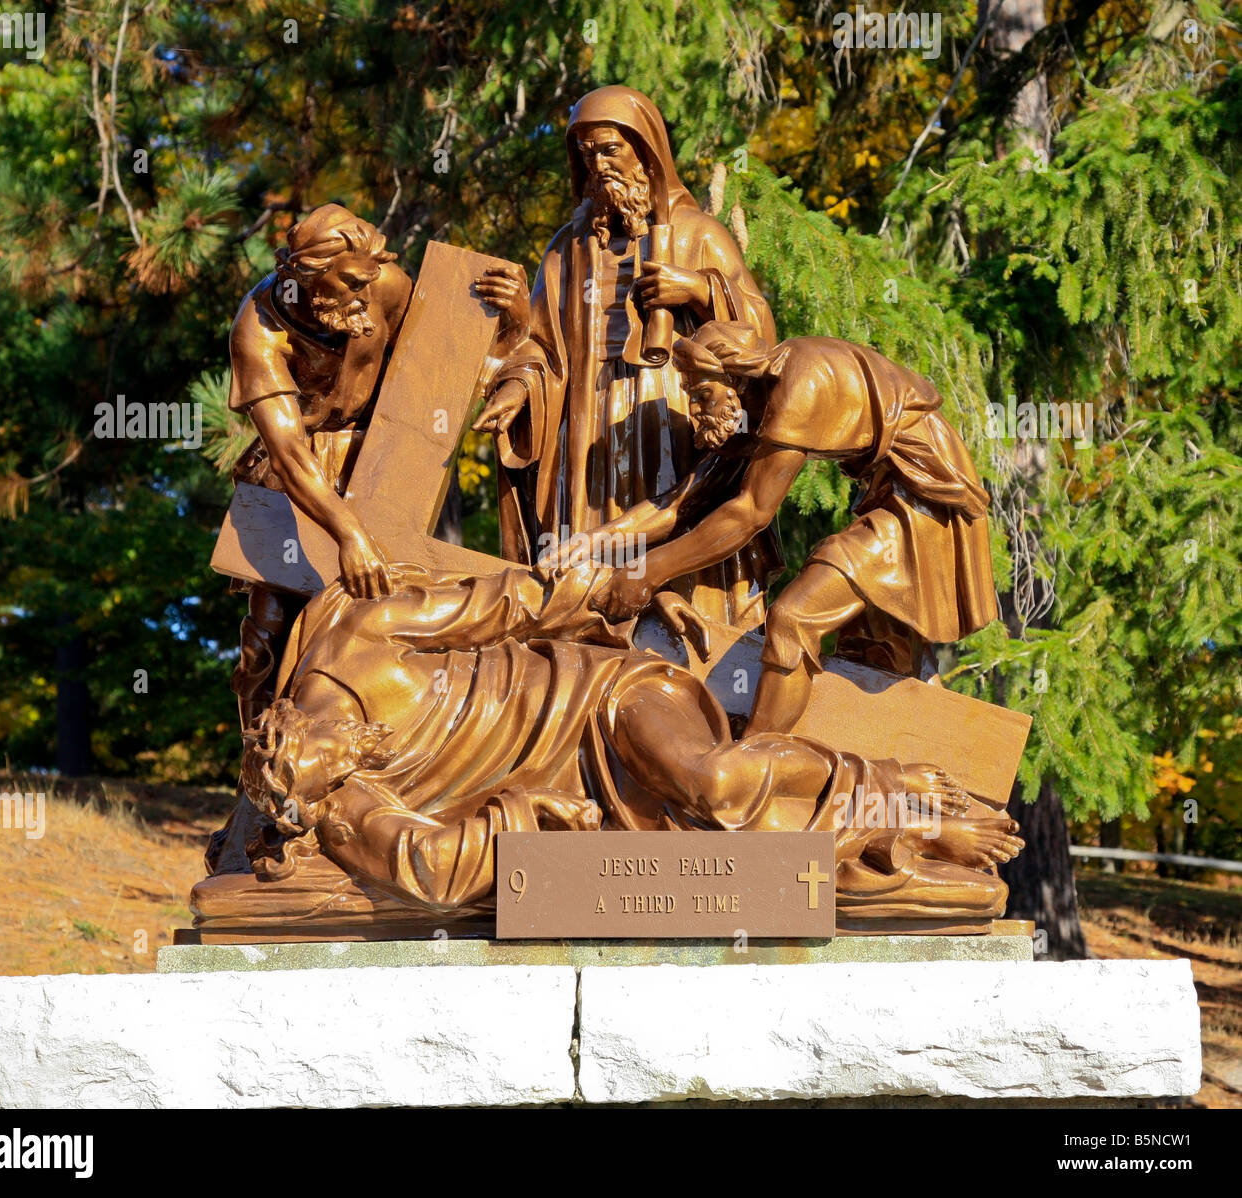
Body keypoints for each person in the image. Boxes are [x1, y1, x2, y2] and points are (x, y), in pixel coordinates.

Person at [235, 560, 1022, 918]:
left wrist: (627, 587)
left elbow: (511, 603)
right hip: (569, 792)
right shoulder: (333, 802)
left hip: (603, 697)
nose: (347, 768)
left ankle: (893, 791)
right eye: (325, 784)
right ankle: (890, 840)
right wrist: (538, 813)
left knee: (710, 783)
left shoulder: (360, 638)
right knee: (728, 850)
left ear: (297, 721)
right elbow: (434, 873)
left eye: (326, 753)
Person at [590, 321, 999, 734]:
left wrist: (650, 573)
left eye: (701, 394)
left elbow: (749, 512)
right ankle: (945, 746)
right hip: (898, 500)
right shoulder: (756, 404)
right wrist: (591, 545)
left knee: (793, 617)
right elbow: (683, 501)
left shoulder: (800, 380)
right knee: (881, 657)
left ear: (736, 379)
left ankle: (755, 757)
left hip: (926, 505)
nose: (695, 410)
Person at [471, 86, 778, 628]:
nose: (599, 163)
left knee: (672, 516)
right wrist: (519, 377)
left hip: (667, 410)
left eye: (611, 148)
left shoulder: (698, 234)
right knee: (581, 547)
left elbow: (758, 335)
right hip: (586, 419)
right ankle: (583, 639)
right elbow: (541, 348)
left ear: (646, 151)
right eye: (586, 153)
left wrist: (700, 291)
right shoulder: (568, 247)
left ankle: (678, 621)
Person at [225, 203, 413, 732]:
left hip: (377, 464)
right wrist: (349, 535)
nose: (364, 295)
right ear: (306, 277)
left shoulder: (387, 285)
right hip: (293, 478)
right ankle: (262, 779)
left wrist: (514, 321)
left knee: (382, 621)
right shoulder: (258, 329)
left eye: (368, 281)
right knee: (269, 636)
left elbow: (436, 360)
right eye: (349, 283)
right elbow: (288, 454)